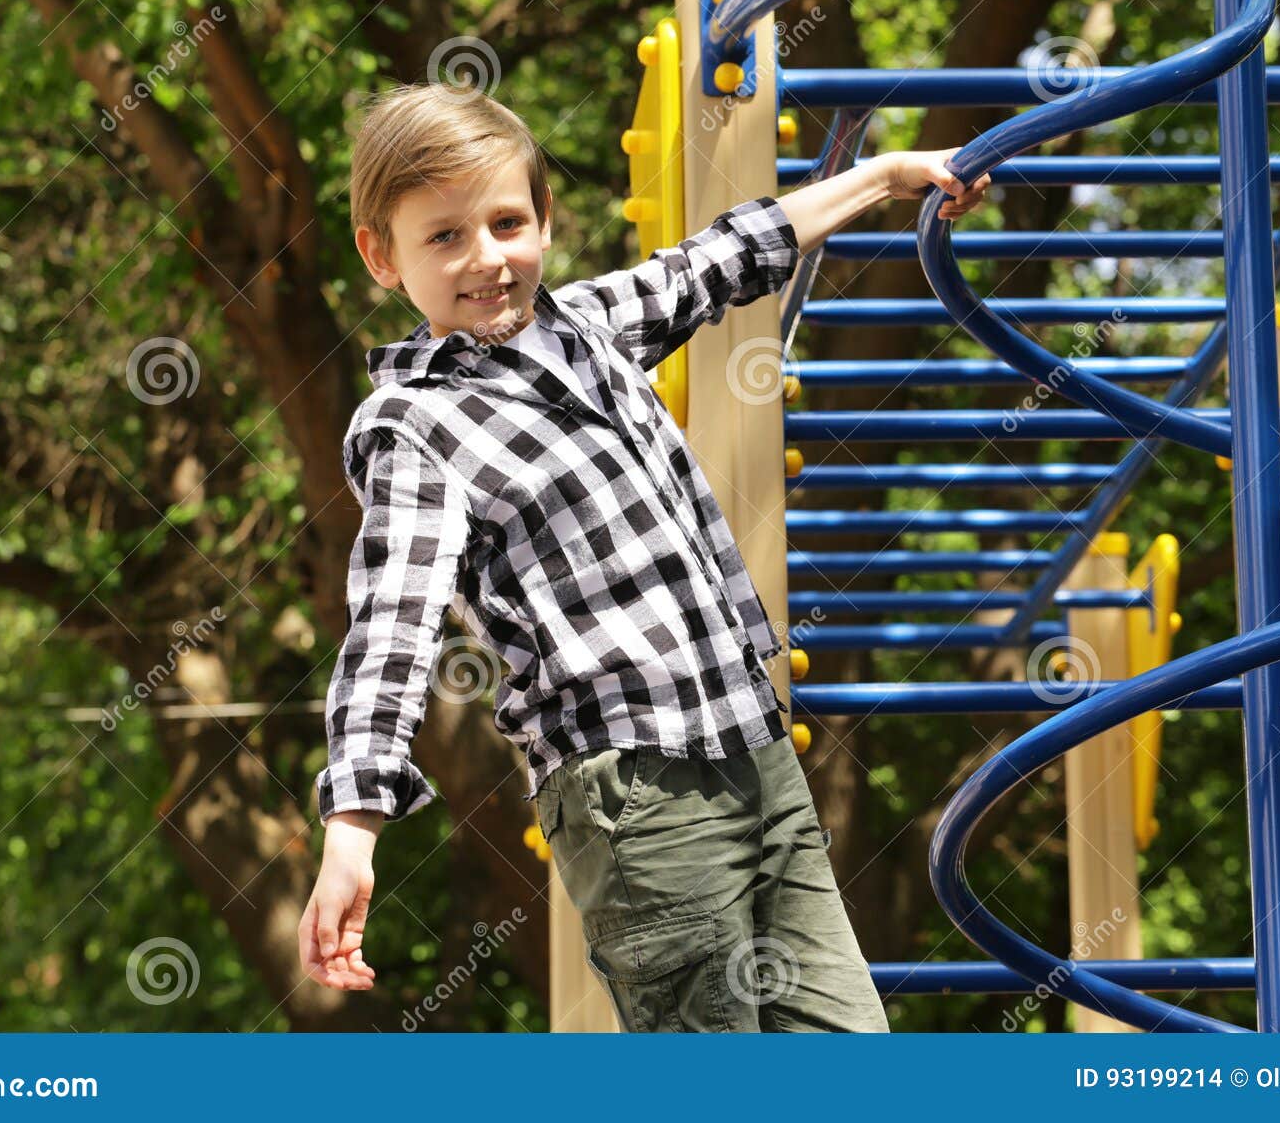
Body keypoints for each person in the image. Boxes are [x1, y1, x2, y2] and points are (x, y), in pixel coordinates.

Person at [298, 81, 990, 1031]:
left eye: (507, 221)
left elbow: (728, 255)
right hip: (638, 799)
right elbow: (391, 626)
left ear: (545, 217)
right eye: (444, 237)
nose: (487, 258)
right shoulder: (415, 426)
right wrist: (352, 828)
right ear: (384, 256)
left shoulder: (588, 326)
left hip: (755, 754)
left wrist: (887, 176)